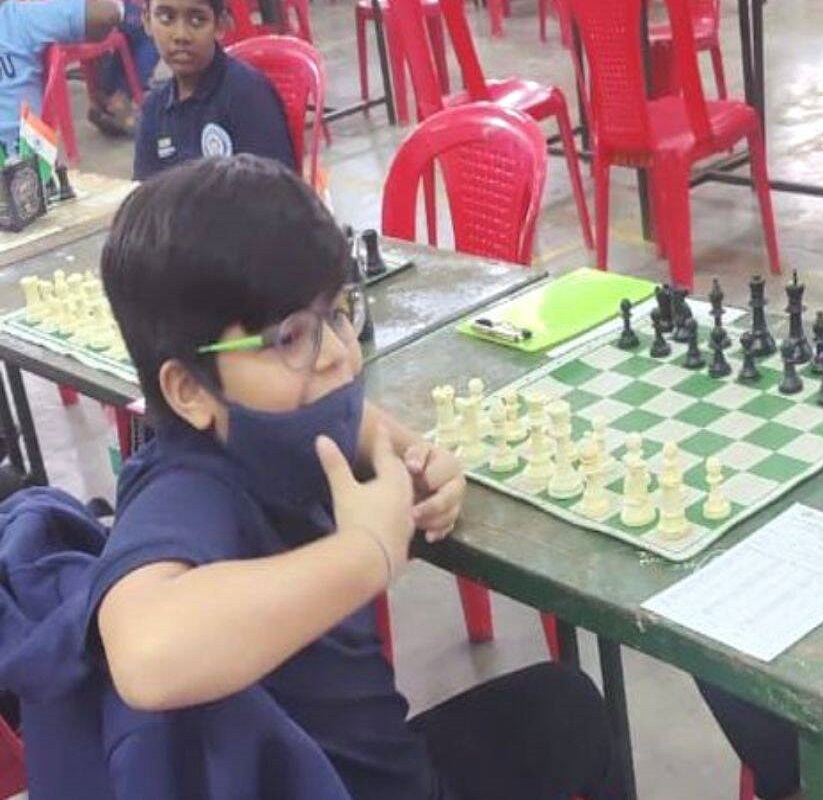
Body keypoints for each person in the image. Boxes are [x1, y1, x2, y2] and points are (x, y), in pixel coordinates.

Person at [88, 154, 621, 800]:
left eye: (339, 312)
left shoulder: (268, 435)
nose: (339, 353)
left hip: (380, 769)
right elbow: (145, 653)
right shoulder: (185, 491)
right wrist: (366, 553)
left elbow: (351, 418)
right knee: (571, 713)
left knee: (566, 710)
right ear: (189, 391)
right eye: (290, 338)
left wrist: (411, 454)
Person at [133, 0, 295, 179]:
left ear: (220, 25)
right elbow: (143, 189)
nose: (181, 35)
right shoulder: (154, 108)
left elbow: (274, 188)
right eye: (166, 18)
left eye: (197, 20)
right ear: (147, 21)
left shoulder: (248, 94)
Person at [0, 0, 122, 153]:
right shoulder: (19, 18)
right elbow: (107, 14)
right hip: (26, 156)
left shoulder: (18, 17)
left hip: (25, 159)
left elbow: (106, 15)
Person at [87, 0, 158, 137]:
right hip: (95, 13)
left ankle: (106, 93)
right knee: (154, 29)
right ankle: (120, 98)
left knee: (127, 37)